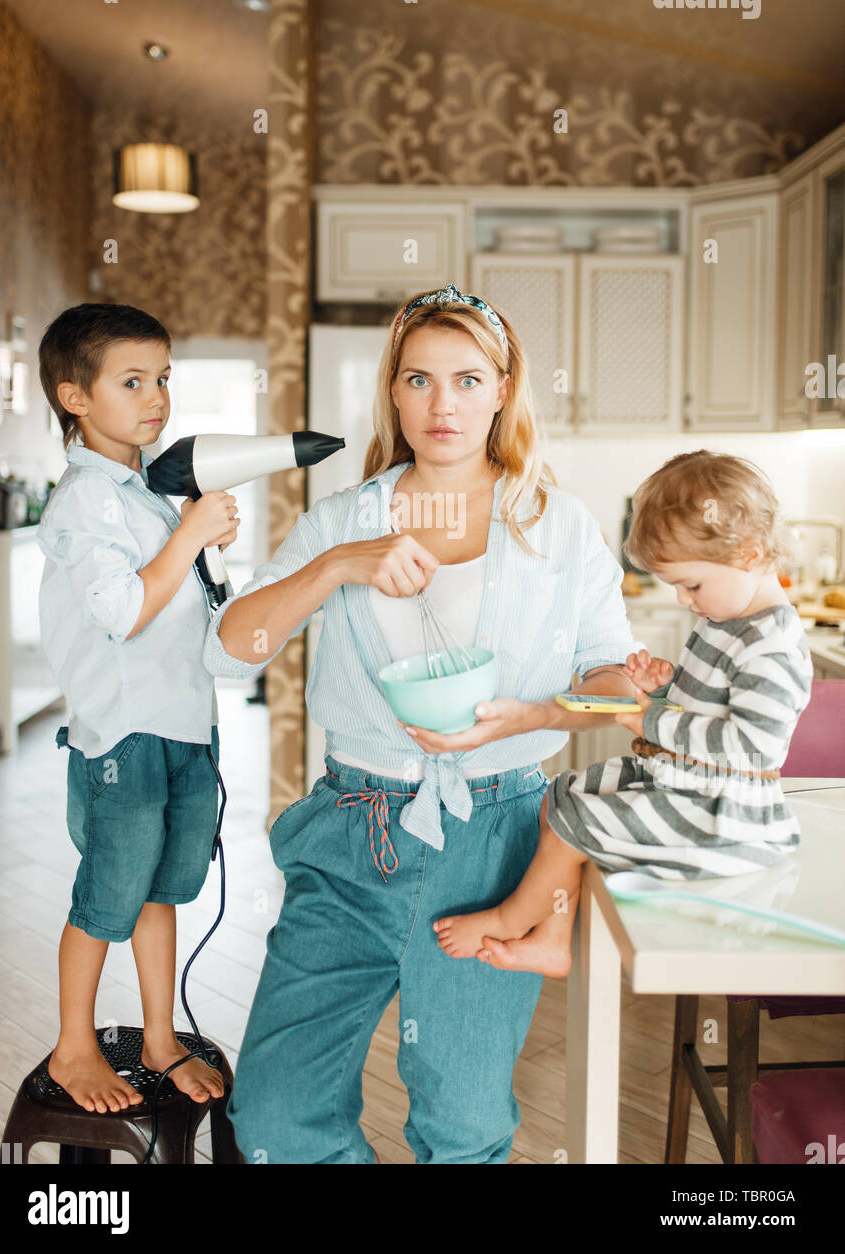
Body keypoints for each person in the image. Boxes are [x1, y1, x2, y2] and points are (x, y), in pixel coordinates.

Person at [203, 282, 646, 1164]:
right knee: (275, 1118)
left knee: (464, 1125)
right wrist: (334, 567)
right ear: (392, 392)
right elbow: (230, 650)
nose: (442, 404)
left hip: (499, 834)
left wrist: (533, 712)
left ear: (503, 389)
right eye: (418, 380)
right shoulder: (342, 521)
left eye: (467, 380)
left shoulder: (554, 526)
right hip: (352, 831)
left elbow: (616, 686)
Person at [433, 450, 814, 978]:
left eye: (691, 584)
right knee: (561, 796)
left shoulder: (771, 646)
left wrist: (646, 719)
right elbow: (708, 706)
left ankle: (509, 918)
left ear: (749, 554)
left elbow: (751, 746)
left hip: (727, 816)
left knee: (576, 822)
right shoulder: (726, 616)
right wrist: (665, 690)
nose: (684, 600)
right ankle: (553, 936)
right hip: (687, 782)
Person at [36, 303, 239, 1113]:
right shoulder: (86, 500)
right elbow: (123, 611)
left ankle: (160, 1040)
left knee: (159, 888)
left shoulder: (151, 490)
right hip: (123, 733)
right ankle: (72, 1048)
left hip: (185, 725)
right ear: (74, 397)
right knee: (108, 895)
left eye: (162, 378)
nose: (156, 397)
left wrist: (194, 540)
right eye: (132, 381)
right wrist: (189, 537)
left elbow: (188, 607)